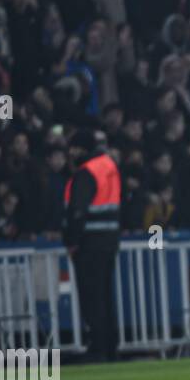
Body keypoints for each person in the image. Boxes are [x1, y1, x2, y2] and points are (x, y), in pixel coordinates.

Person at [64, 129, 122, 360]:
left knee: (91, 297)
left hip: (89, 243)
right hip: (109, 241)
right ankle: (109, 345)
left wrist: (71, 241)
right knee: (106, 297)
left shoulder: (86, 172)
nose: (71, 153)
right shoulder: (109, 166)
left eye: (73, 149)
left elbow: (78, 212)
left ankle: (97, 347)